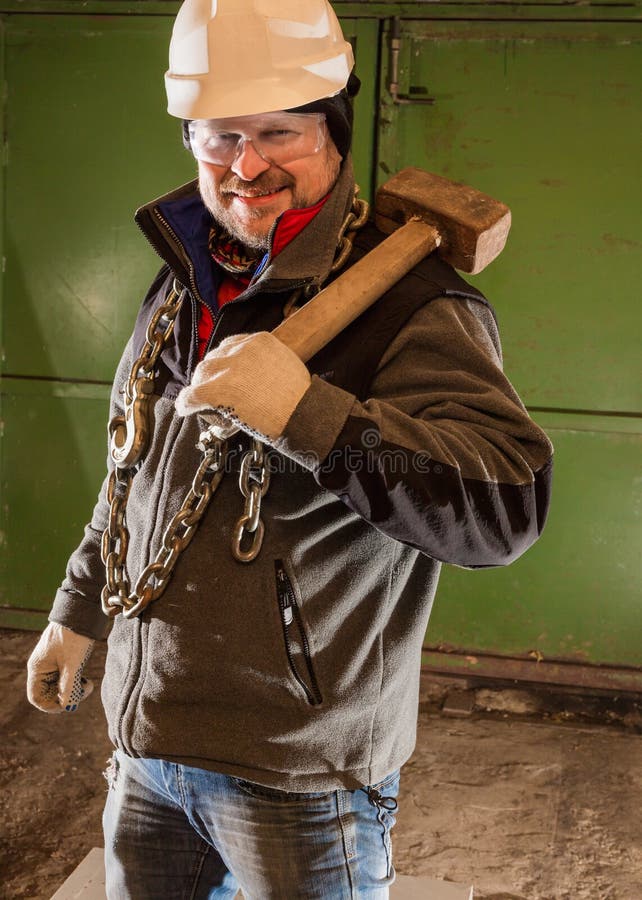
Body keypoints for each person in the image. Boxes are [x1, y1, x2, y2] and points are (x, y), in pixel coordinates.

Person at [26, 0, 554, 896]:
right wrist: (79, 612)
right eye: (221, 135)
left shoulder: (416, 306)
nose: (248, 164)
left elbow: (503, 506)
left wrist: (313, 416)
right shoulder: (186, 275)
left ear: (333, 133)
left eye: (279, 132)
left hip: (303, 782)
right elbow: (136, 472)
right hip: (147, 747)